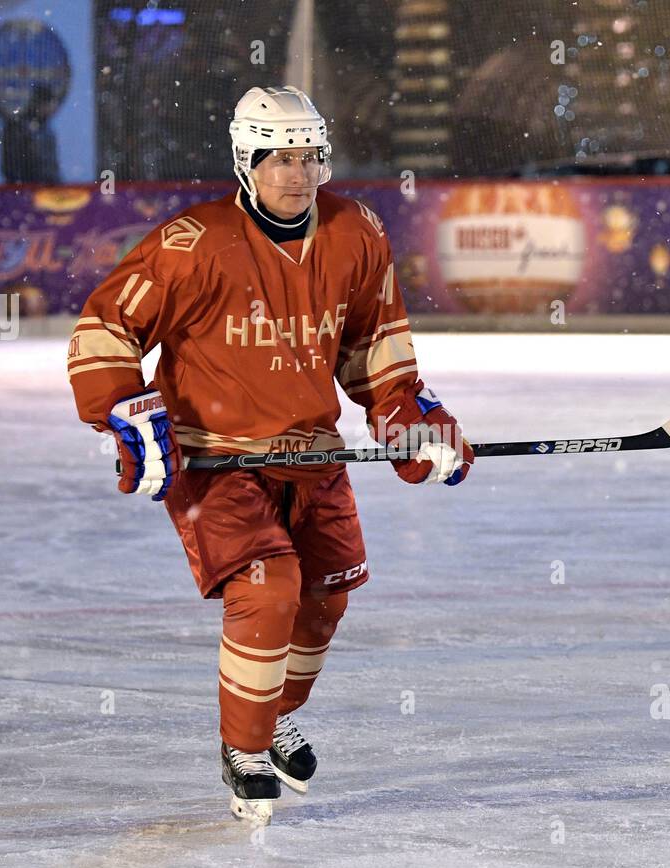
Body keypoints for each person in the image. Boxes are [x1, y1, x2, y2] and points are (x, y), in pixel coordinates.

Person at [66, 86, 473, 824]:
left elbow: (373, 344)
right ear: (245, 162)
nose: (298, 173)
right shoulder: (192, 244)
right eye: (280, 158)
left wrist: (408, 415)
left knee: (326, 596)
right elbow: (104, 328)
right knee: (268, 588)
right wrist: (124, 408)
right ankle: (246, 749)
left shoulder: (356, 231)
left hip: (314, 457)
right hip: (215, 459)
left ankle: (274, 713)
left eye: (310, 157)